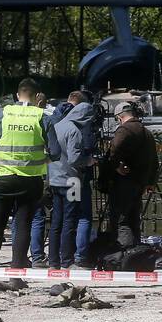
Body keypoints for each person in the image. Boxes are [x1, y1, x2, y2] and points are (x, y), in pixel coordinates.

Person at [0, 78, 54, 268]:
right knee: (23, 225)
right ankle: (16, 272)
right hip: (30, 180)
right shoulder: (42, 116)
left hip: (3, 178)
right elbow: (56, 152)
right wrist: (39, 161)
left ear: (16, 95)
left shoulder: (1, 114)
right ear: (37, 96)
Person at [46, 91, 98, 269]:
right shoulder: (74, 131)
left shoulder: (58, 125)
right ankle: (67, 260)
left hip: (55, 178)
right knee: (71, 220)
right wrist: (89, 161)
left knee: (56, 222)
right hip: (72, 181)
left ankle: (53, 261)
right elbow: (75, 159)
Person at [104, 100, 158, 249]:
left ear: (119, 117)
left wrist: (116, 167)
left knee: (122, 220)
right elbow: (154, 159)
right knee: (134, 218)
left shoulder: (124, 130)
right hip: (139, 183)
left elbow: (113, 151)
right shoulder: (146, 132)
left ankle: (124, 253)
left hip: (123, 183)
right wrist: (150, 182)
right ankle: (136, 254)